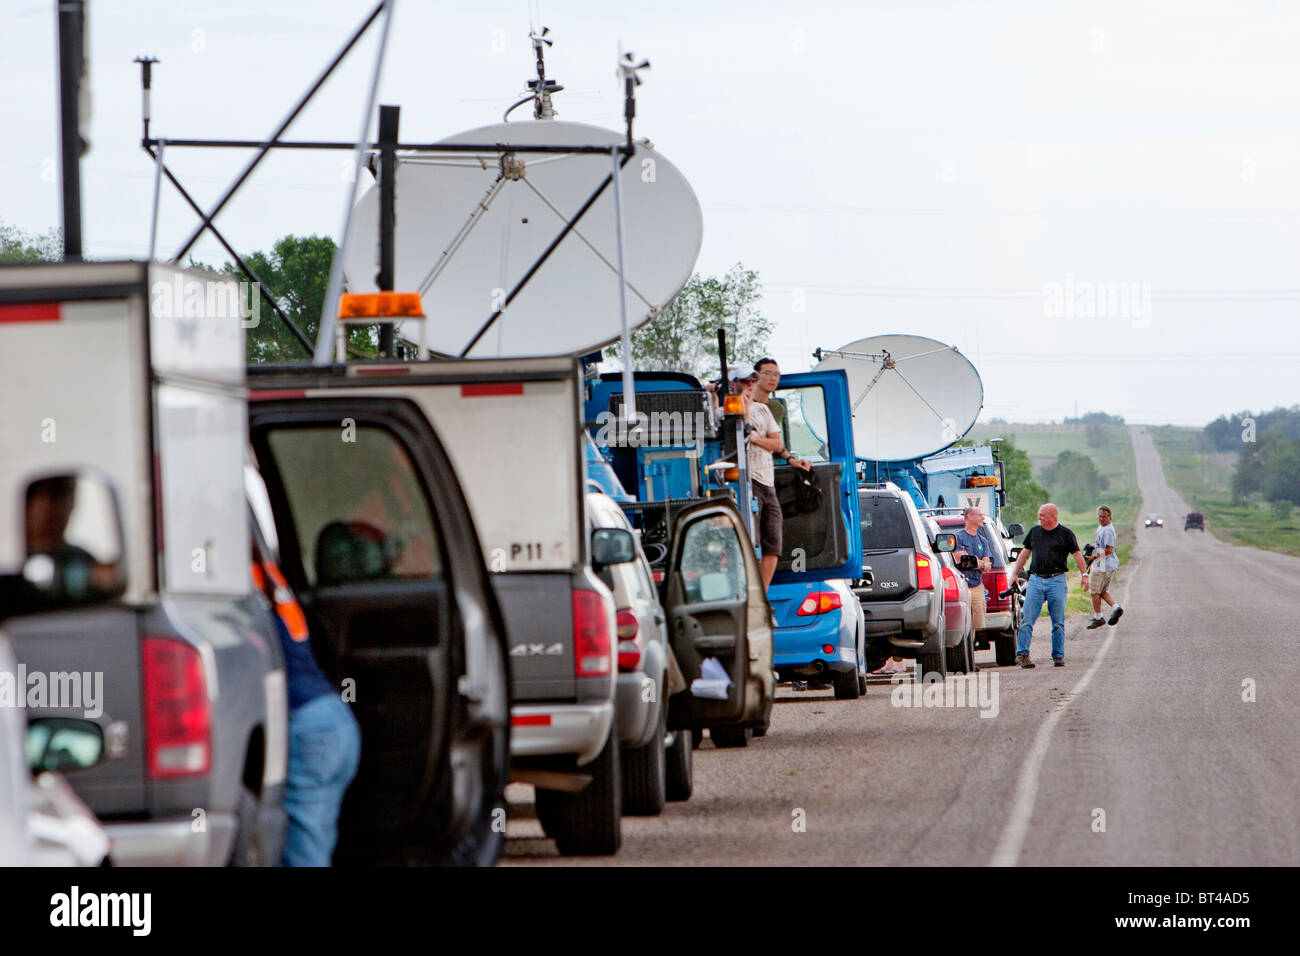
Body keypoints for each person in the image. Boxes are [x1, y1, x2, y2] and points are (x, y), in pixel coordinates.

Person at [250, 536, 361, 866]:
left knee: (304, 859)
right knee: (312, 848)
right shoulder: (267, 575)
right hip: (333, 722)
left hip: (309, 733)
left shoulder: (238, 587)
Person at [726, 363, 812, 589]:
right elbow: (738, 435)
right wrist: (742, 410)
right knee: (749, 543)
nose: (750, 385)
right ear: (733, 383)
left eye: (752, 381)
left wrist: (756, 439)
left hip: (767, 482)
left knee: (773, 543)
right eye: (745, 381)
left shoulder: (763, 410)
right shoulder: (724, 410)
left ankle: (761, 596)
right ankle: (750, 594)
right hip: (745, 482)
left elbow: (777, 443)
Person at [1007, 502, 1090, 668]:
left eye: (1042, 515)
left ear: (1053, 516)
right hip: (1036, 581)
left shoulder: (1066, 534)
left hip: (1057, 581)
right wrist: (1015, 573)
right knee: (1027, 619)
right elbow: (1025, 553)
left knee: (1058, 622)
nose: (1039, 518)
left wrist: (1084, 574)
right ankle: (1022, 654)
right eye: (1039, 514)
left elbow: (1077, 555)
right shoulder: (1035, 532)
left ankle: (1058, 655)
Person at [951, 506, 992, 670]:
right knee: (962, 624)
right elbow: (962, 559)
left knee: (974, 625)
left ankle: (970, 660)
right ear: (969, 516)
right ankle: (959, 658)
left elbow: (987, 564)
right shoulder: (958, 538)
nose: (982, 517)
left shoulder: (983, 541)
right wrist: (978, 563)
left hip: (977, 585)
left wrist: (978, 563)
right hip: (961, 585)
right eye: (980, 514)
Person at [1086, 505, 1123, 629]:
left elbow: (1109, 550)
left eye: (1104, 517)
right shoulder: (1103, 528)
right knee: (1102, 591)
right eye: (1100, 516)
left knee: (1094, 592)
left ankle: (1098, 617)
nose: (1101, 519)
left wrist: (1094, 557)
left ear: (1109, 517)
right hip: (1107, 565)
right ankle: (1116, 607)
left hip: (1103, 565)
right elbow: (1101, 545)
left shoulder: (1107, 530)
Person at [753, 357, 786, 432]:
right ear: (755, 376)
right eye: (768, 373)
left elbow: (772, 436)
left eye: (776, 374)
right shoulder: (743, 404)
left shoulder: (777, 408)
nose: (773, 378)